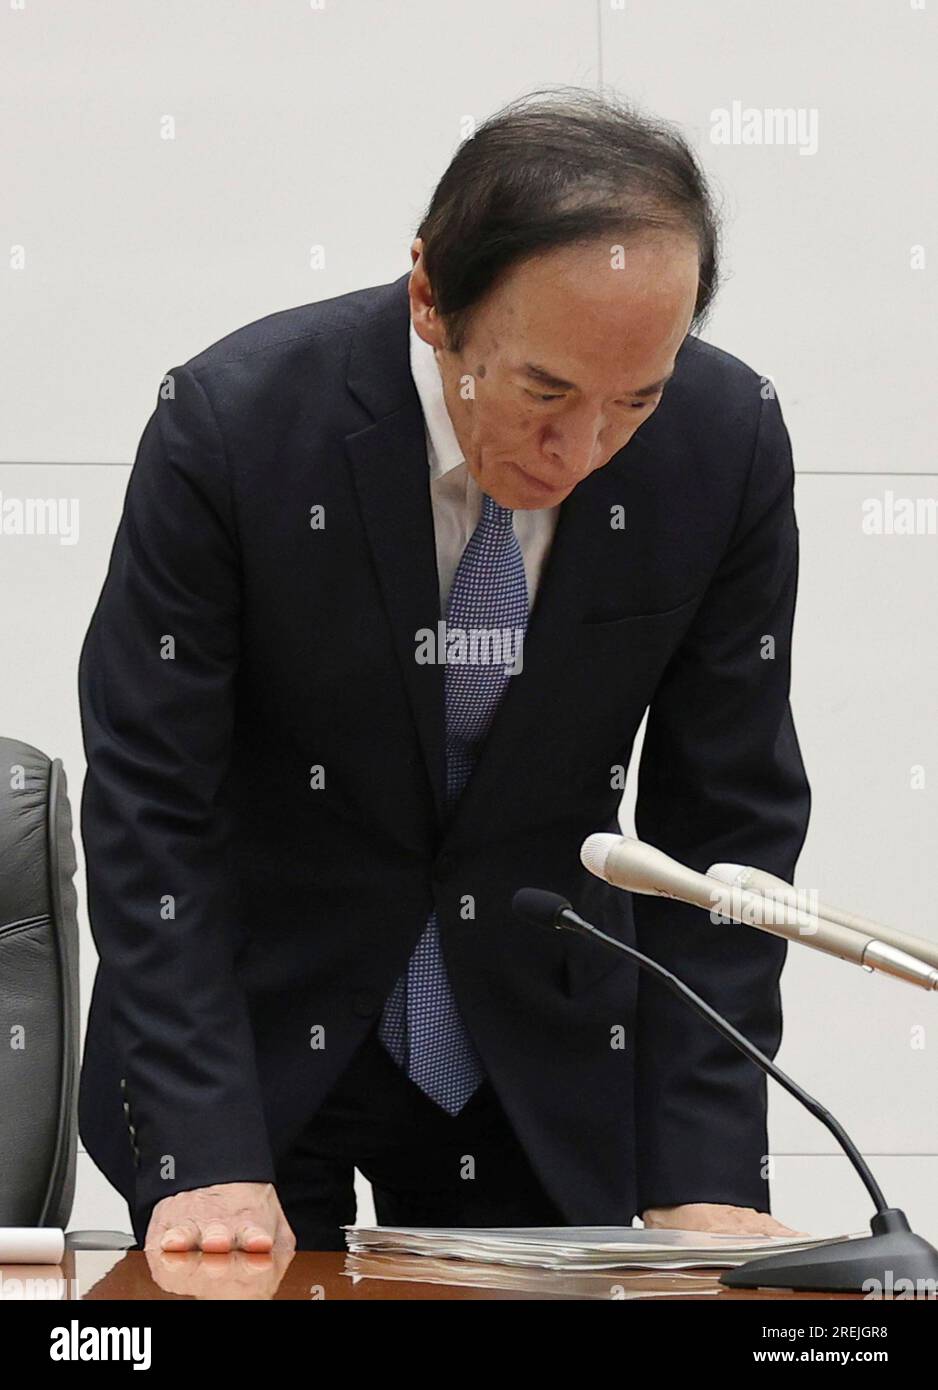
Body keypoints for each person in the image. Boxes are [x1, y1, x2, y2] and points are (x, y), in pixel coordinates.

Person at [77, 88, 811, 1253]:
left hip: (537, 1045)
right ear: (432, 297)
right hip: (254, 1035)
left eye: (636, 399)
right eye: (545, 393)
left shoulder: (724, 443)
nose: (581, 453)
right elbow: (153, 804)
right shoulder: (235, 428)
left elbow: (725, 820)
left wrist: (706, 1161)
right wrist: (200, 1148)